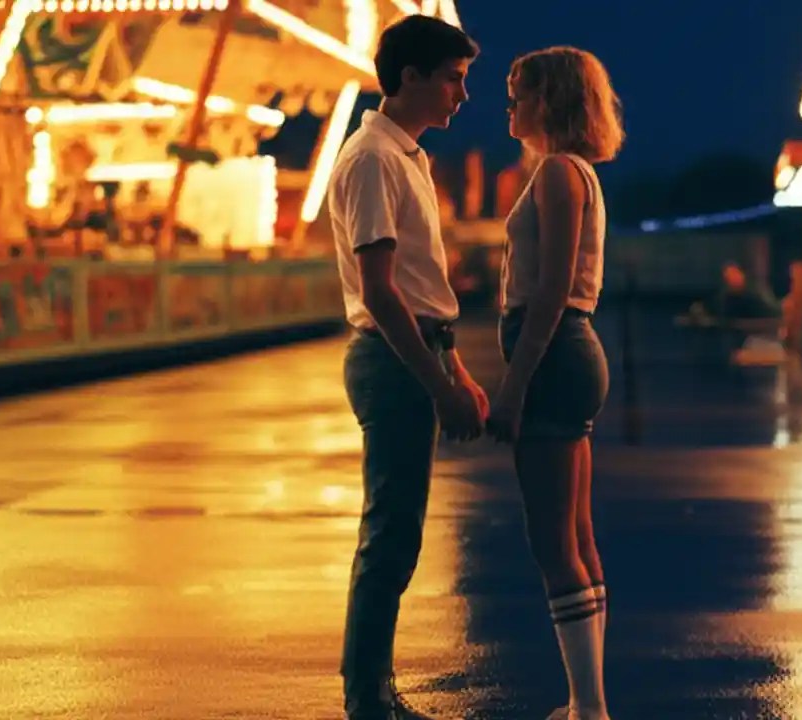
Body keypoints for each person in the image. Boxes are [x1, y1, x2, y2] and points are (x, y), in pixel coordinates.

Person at [325, 15, 486, 720]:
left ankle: (374, 689)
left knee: (399, 529)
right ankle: (367, 697)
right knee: (390, 529)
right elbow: (380, 289)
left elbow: (417, 287)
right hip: (392, 361)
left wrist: (457, 370)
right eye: (453, 79)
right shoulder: (374, 160)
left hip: (413, 351)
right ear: (411, 77)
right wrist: (436, 384)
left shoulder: (406, 156)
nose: (462, 95)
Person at [485, 46, 624, 720]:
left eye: (519, 91)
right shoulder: (575, 173)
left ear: (551, 98)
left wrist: (512, 387)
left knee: (553, 542)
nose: (509, 102)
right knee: (579, 535)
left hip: (554, 353)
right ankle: (586, 702)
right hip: (572, 354)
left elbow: (549, 292)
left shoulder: (556, 176)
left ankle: (589, 708)